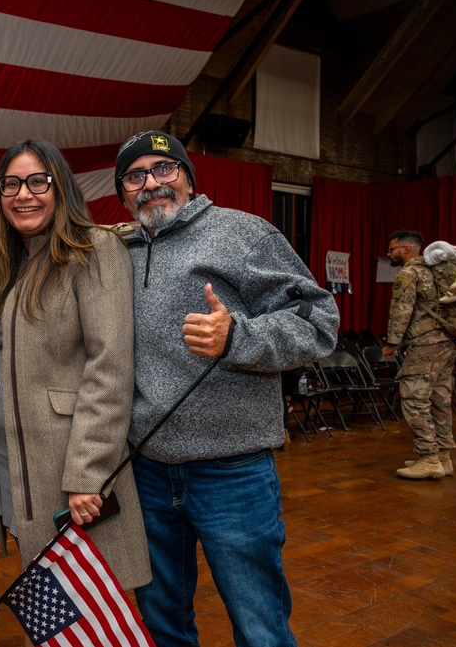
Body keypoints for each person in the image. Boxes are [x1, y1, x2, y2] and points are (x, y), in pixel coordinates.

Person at [115, 130, 339, 647]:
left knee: (258, 624)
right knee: (162, 621)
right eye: (135, 175)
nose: (151, 184)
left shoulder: (243, 232)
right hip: (146, 469)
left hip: (233, 470)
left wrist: (239, 335)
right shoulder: (116, 252)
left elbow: (320, 319)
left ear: (189, 180)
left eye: (163, 169)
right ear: (124, 192)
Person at [0, 138, 149, 592]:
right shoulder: (7, 263)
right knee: (54, 607)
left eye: (37, 181)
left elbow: (109, 367)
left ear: (61, 188)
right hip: (14, 463)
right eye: (11, 184)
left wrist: (89, 472)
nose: (23, 194)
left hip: (71, 467)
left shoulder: (94, 249)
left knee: (90, 607)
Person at [382, 230, 456, 479]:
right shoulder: (438, 270)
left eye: (391, 249)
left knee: (414, 397)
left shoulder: (409, 273)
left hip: (425, 345)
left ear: (405, 249)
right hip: (447, 342)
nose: (389, 253)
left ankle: (428, 458)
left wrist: (392, 342)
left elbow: (401, 311)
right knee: (440, 398)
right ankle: (444, 457)